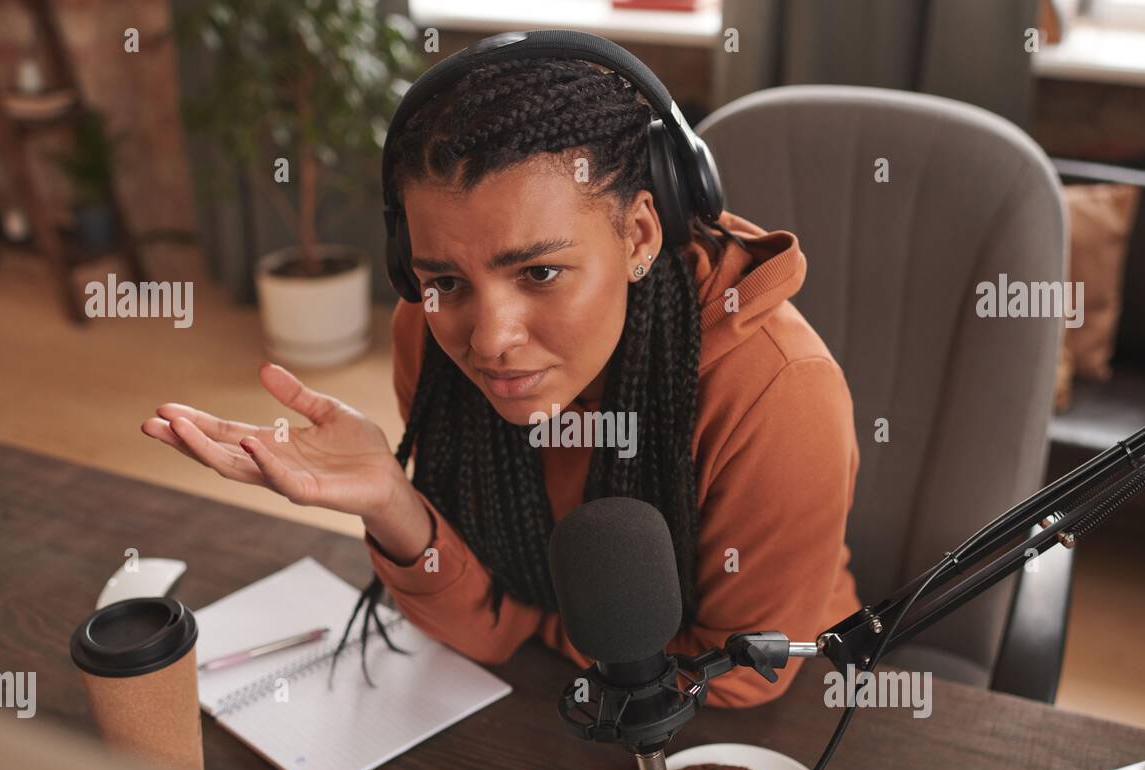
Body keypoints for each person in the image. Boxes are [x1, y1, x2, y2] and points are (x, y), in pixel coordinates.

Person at [142, 54, 862, 708]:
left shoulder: (779, 392)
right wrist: (392, 503)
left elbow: (739, 674)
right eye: (446, 280)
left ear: (640, 235)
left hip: (759, 711)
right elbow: (482, 627)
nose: (489, 340)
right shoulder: (428, 332)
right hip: (553, 689)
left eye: (539, 272)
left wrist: (525, 622)